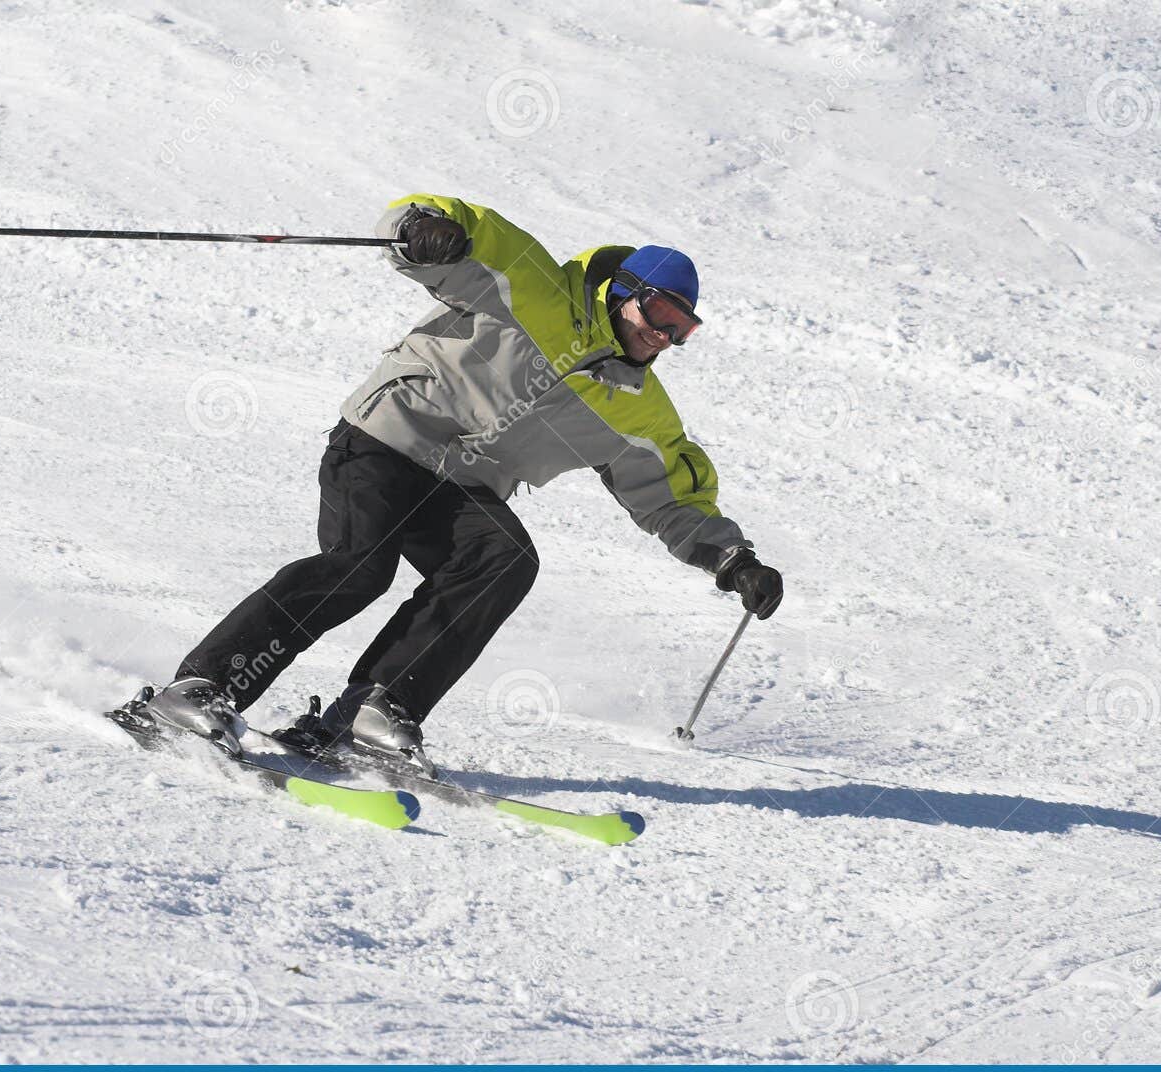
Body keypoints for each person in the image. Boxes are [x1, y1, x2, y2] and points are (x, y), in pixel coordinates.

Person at [144, 193, 784, 756]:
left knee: (503, 559)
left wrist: (732, 560)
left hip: (458, 488)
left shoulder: (637, 406)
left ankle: (372, 710)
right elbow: (461, 230)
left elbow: (671, 493)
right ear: (624, 293)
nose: (668, 340)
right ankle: (203, 689)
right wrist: (427, 227)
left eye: (685, 331)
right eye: (663, 318)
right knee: (361, 568)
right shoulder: (534, 284)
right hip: (385, 441)